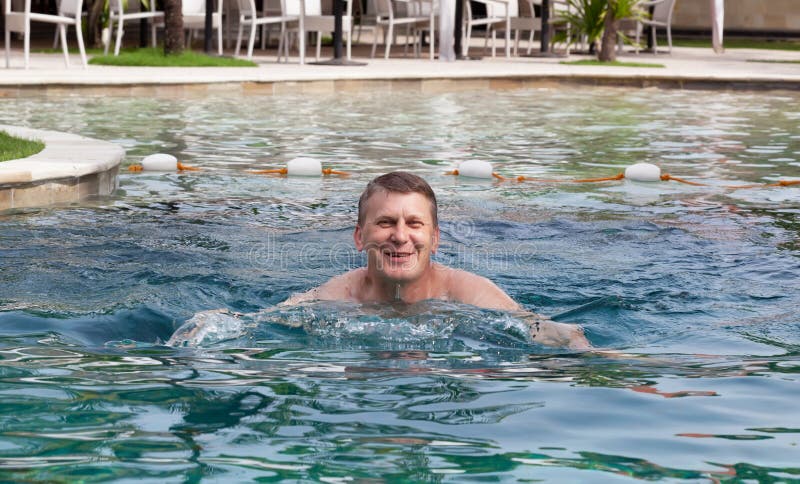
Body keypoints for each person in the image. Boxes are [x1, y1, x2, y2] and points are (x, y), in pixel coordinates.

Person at [169, 172, 590, 349]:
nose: (401, 237)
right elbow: (258, 323)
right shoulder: (337, 295)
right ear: (359, 237)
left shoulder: (468, 292)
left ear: (435, 238)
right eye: (386, 222)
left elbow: (542, 329)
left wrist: (583, 350)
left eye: (414, 224)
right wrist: (216, 324)